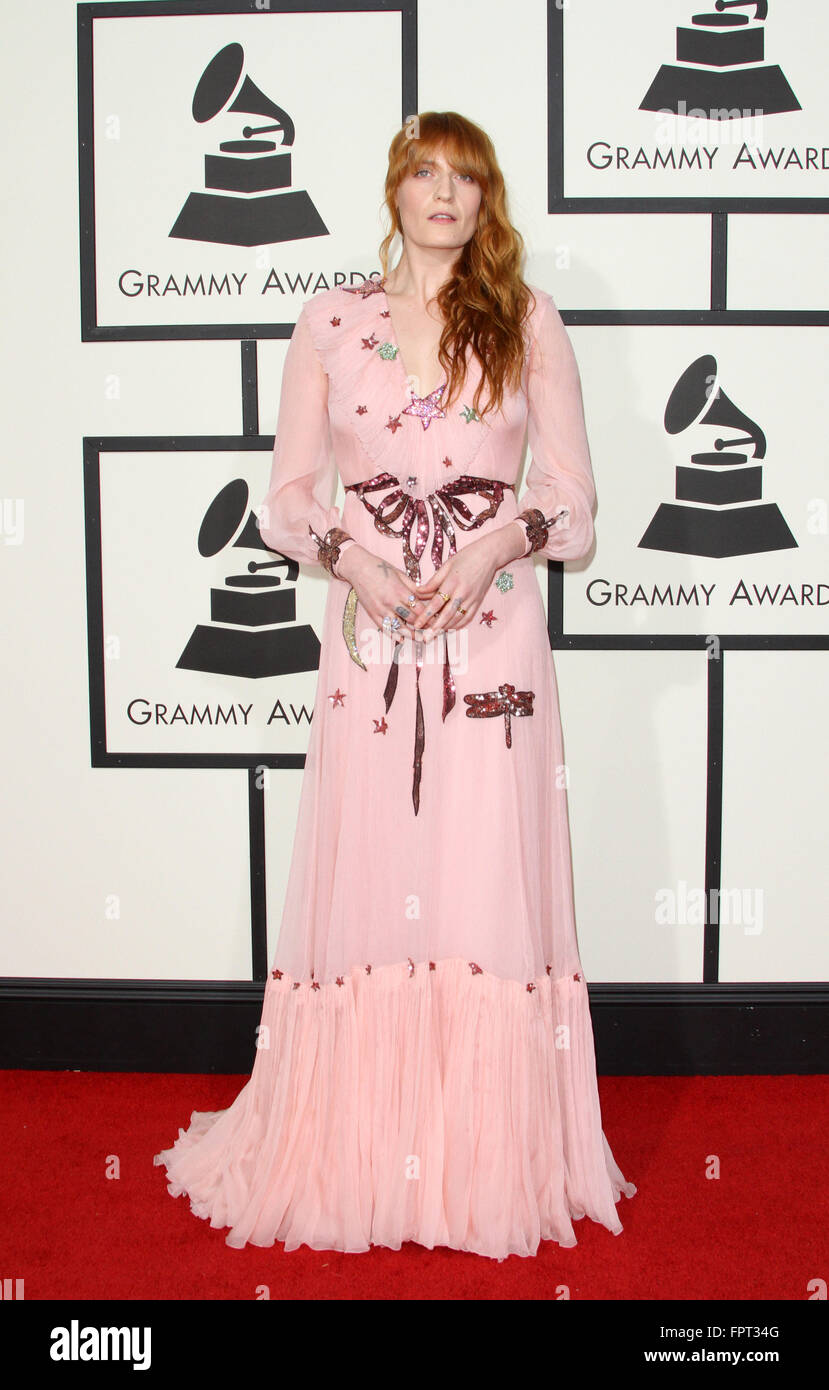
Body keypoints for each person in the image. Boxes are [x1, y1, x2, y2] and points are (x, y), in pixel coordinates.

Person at [154, 111, 636, 1261]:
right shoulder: (328, 323)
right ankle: (358, 1157)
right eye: (424, 172)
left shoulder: (525, 321)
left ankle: (482, 1166)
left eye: (465, 179)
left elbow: (573, 503)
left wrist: (490, 547)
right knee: (374, 880)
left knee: (480, 884)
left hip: (495, 642)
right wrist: (354, 560)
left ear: (485, 201)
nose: (443, 195)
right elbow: (284, 502)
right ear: (393, 188)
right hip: (369, 646)